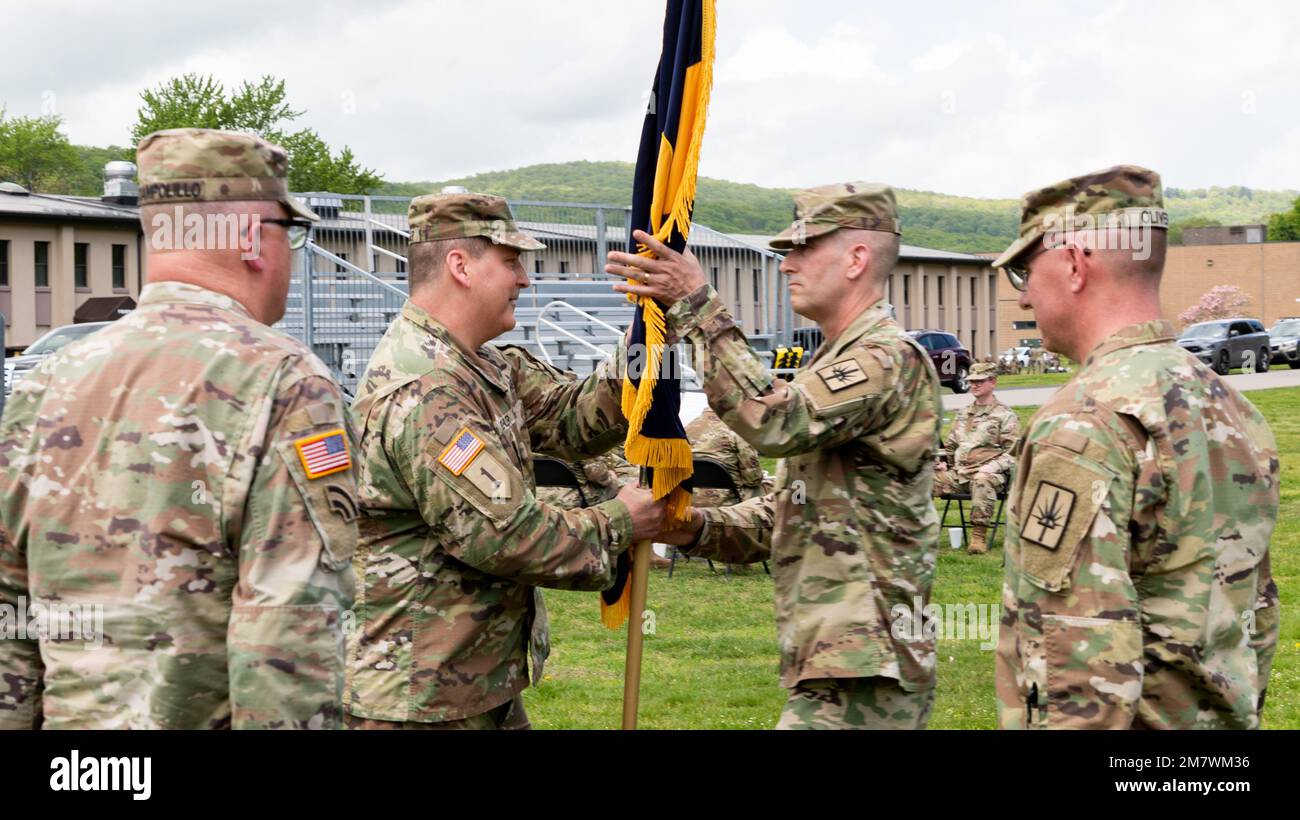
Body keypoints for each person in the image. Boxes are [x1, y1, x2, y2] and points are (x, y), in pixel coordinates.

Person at [0, 128, 357, 730]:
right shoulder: (284, 381)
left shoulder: (44, 382)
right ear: (251, 238)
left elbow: (9, 613)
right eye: (288, 232)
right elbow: (288, 636)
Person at [608, 183, 943, 729]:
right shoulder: (835, 364)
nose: (787, 265)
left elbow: (772, 420)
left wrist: (697, 302)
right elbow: (787, 516)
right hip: (842, 664)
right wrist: (688, 526)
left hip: (867, 665)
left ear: (857, 257)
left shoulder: (887, 358)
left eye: (804, 248)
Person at [345, 191, 665, 730]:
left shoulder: (482, 365)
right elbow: (507, 536)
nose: (524, 280)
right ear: (460, 265)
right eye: (512, 262)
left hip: (470, 682)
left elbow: (573, 419)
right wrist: (621, 521)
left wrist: (649, 338)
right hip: (419, 700)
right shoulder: (427, 389)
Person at [992, 165, 1279, 729]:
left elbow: (1077, 671)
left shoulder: (1084, 422)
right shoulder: (1232, 407)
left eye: (1026, 273)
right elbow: (1256, 617)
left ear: (1073, 265)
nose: (1024, 300)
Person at [932, 361, 1019, 553]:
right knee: (923, 480)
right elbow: (950, 446)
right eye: (972, 381)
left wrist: (992, 467)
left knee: (981, 480)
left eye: (980, 381)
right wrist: (942, 464)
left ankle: (978, 536)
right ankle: (918, 533)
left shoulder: (1005, 415)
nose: (974, 385)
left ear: (993, 382)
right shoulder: (964, 413)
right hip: (960, 474)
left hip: (990, 476)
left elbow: (1013, 453)